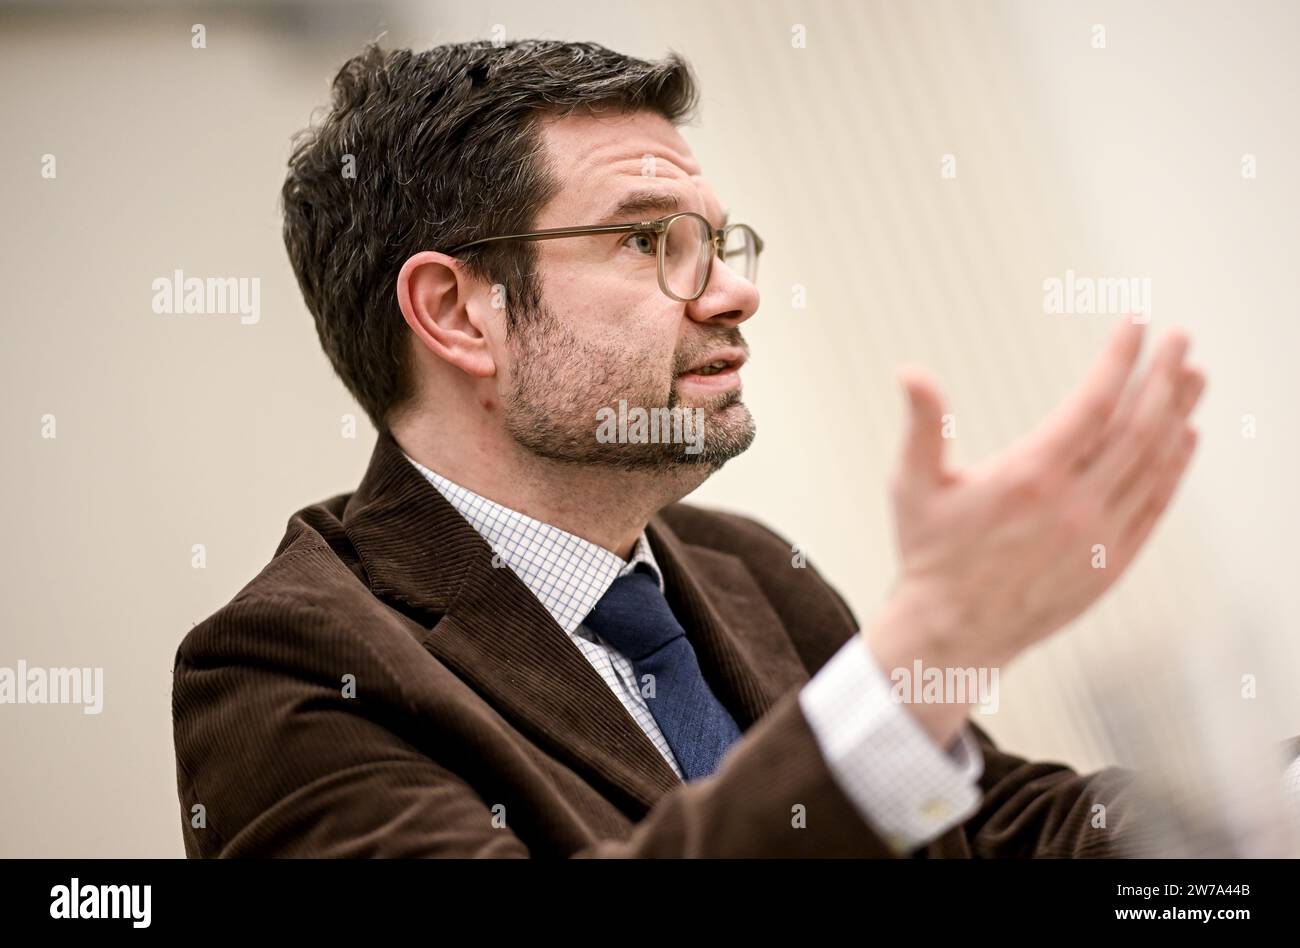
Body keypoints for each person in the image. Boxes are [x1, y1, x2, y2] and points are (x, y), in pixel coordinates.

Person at [171, 39, 1224, 858]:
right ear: (457, 312)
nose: (734, 289)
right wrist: (924, 658)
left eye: (717, 241)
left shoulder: (751, 570)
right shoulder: (284, 670)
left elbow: (992, 833)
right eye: (646, 240)